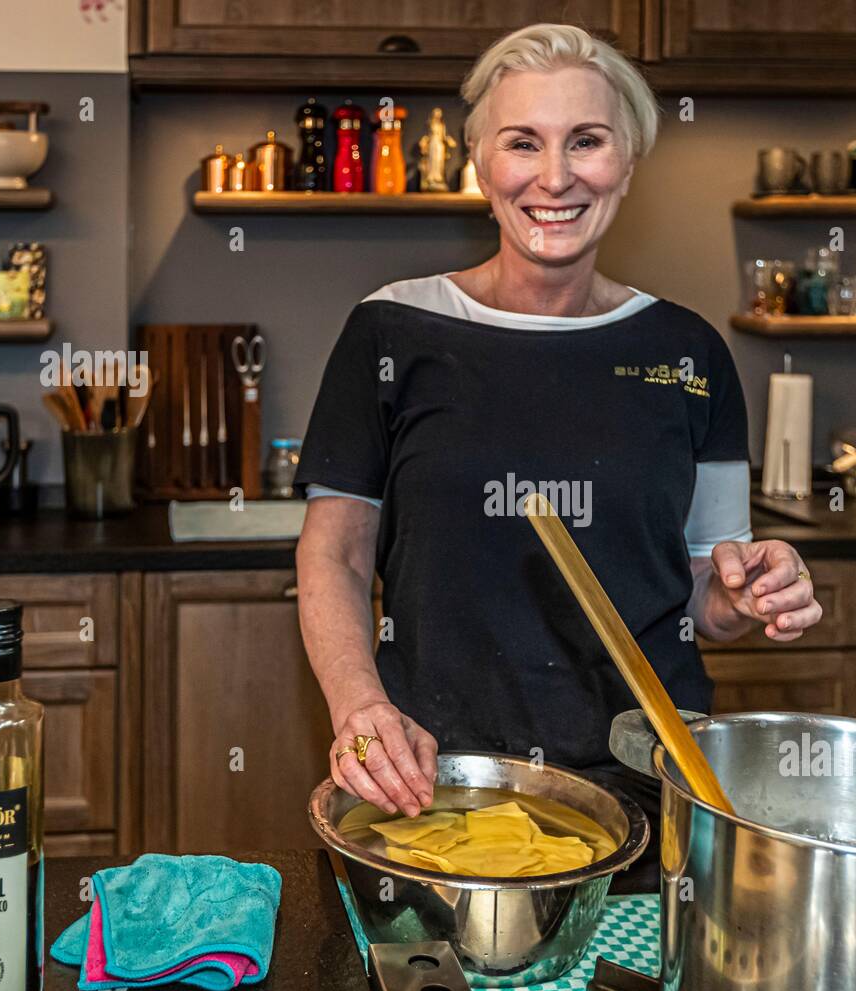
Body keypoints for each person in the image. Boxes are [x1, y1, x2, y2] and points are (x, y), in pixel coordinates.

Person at [295, 23, 822, 883]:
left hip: (644, 791)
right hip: (434, 782)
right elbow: (336, 548)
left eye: (586, 141)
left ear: (627, 161)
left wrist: (746, 593)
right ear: (479, 163)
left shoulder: (690, 353)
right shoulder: (391, 330)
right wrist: (360, 705)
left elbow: (703, 591)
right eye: (521, 143)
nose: (554, 176)